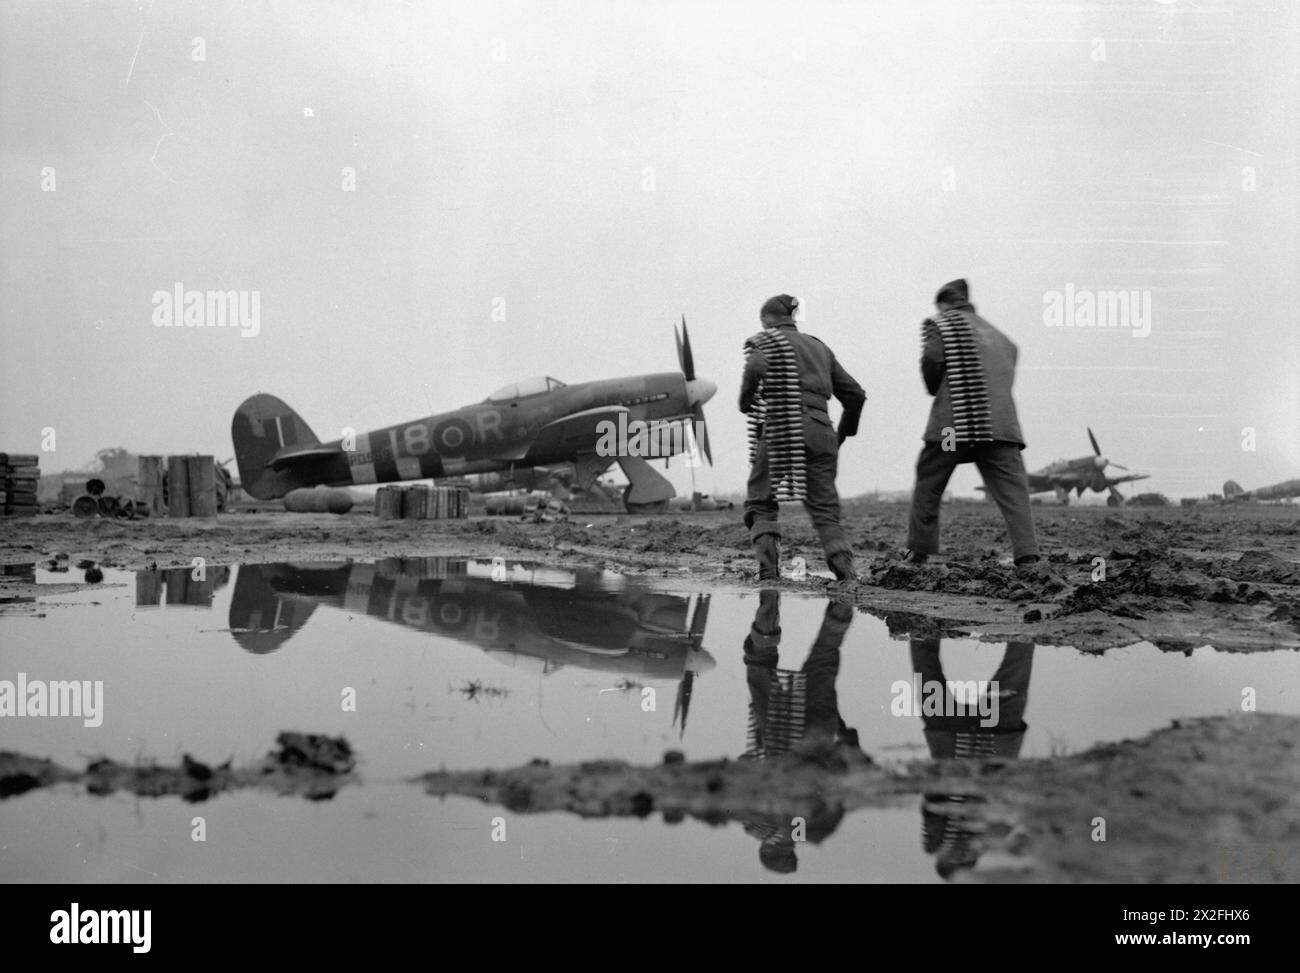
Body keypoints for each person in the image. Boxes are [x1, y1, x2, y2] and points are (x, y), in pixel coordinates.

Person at [906, 279, 1040, 570]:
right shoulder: (1002, 339)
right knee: (1013, 491)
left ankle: (918, 552)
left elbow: (931, 359)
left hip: (954, 428)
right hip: (1001, 429)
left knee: (930, 478)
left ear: (943, 303)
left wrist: (934, 386)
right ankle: (1028, 556)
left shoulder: (940, 324)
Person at [740, 294, 866, 582]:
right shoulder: (819, 347)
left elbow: (755, 367)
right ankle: (847, 575)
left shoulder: (767, 341)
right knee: (825, 509)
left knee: (761, 501)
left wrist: (746, 401)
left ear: (766, 321)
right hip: (821, 429)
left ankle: (769, 574)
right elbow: (855, 396)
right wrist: (841, 435)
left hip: (783, 424)